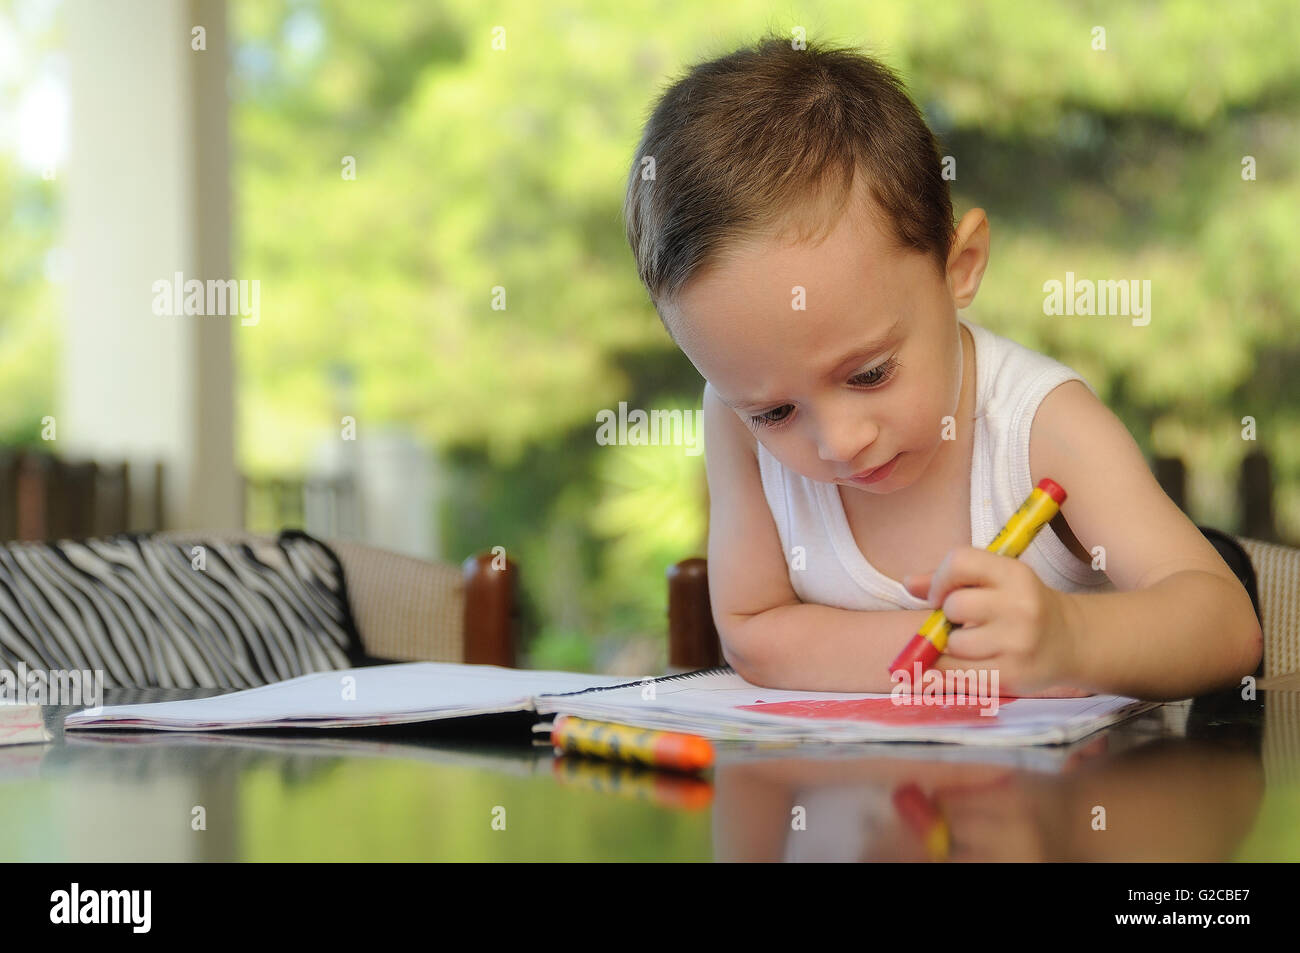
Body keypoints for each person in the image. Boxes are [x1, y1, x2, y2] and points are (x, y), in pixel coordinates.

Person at [622, 35, 1262, 700]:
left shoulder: (1042, 426)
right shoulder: (732, 417)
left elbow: (1224, 623)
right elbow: (754, 630)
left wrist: (1071, 637)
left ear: (960, 268)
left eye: (869, 374)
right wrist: (965, 657)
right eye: (774, 412)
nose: (840, 440)